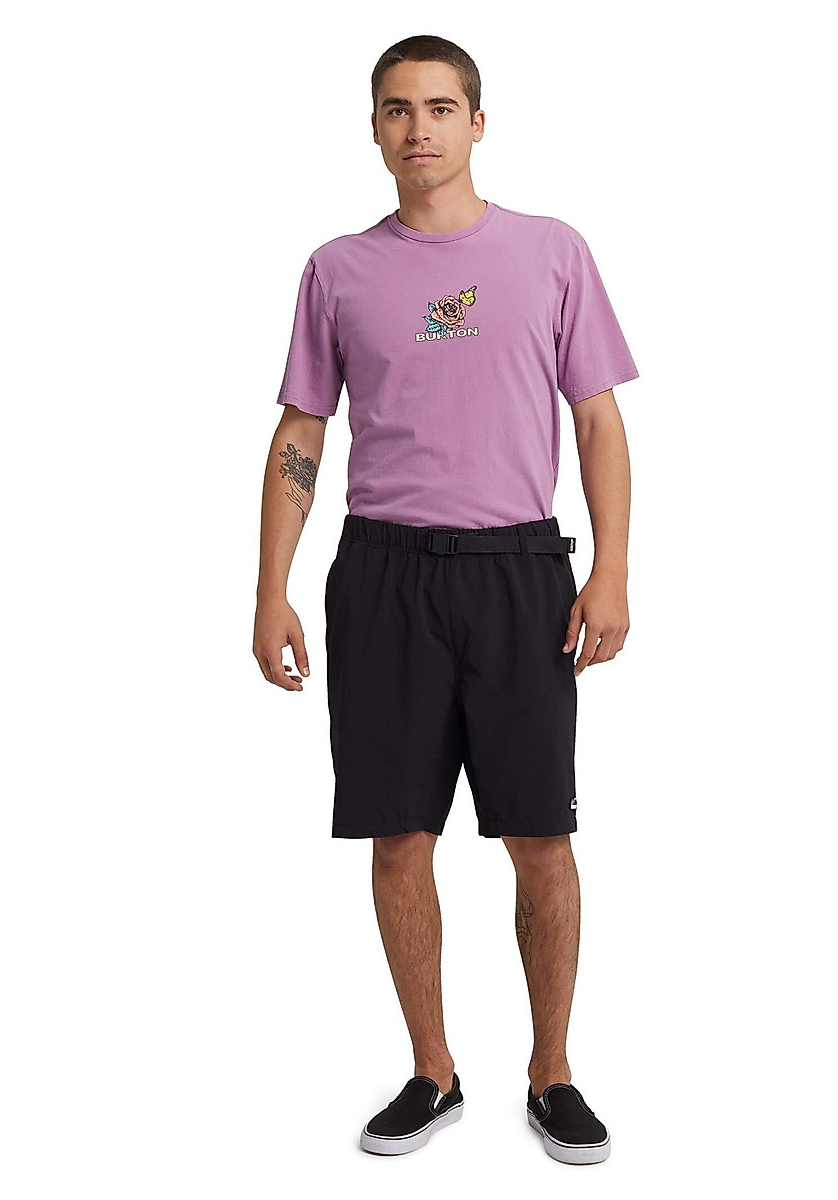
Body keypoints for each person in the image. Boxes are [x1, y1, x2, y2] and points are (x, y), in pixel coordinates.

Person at [253, 35, 637, 1165]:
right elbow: (301, 432)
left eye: (437, 106)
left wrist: (612, 568)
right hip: (383, 578)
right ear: (374, 128)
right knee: (397, 838)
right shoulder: (337, 269)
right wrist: (271, 588)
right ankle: (433, 1070)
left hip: (520, 574)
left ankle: (552, 1072)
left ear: (477, 121)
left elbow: (599, 420)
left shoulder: (552, 252)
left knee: (542, 839)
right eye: (395, 109)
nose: (417, 128)